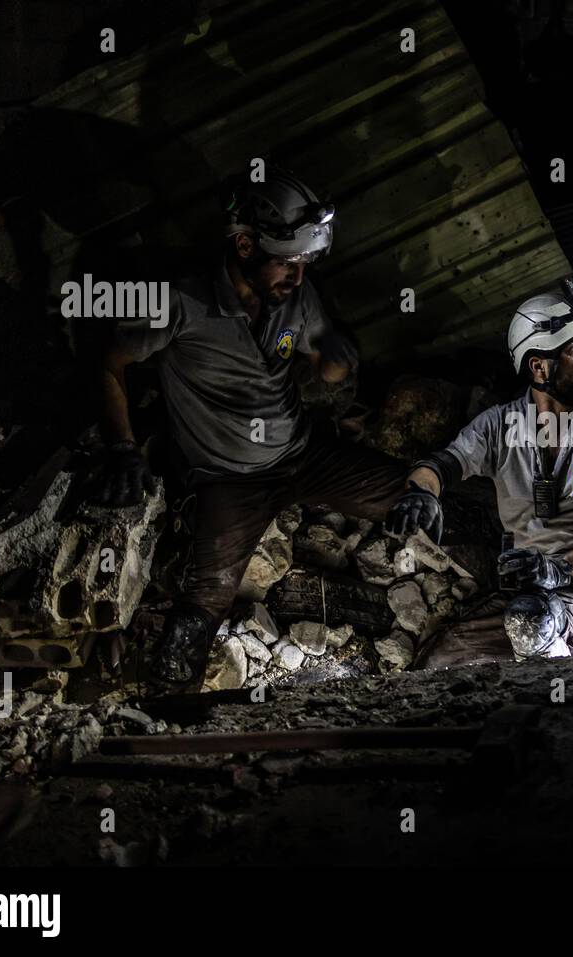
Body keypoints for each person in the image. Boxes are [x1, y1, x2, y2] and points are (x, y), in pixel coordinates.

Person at [98, 167, 407, 684]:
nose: (299, 276)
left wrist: (332, 360)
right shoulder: (180, 302)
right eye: (289, 264)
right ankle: (167, 709)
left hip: (302, 455)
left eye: (306, 263)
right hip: (227, 479)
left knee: (412, 490)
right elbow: (107, 363)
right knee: (204, 600)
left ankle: (534, 548)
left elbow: (320, 355)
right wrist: (122, 447)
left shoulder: (295, 297)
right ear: (244, 246)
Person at [385, 281, 573, 660]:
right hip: (525, 586)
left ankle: (559, 707)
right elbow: (442, 465)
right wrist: (421, 492)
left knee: (532, 620)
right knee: (440, 661)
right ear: (539, 365)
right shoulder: (499, 425)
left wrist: (559, 569)